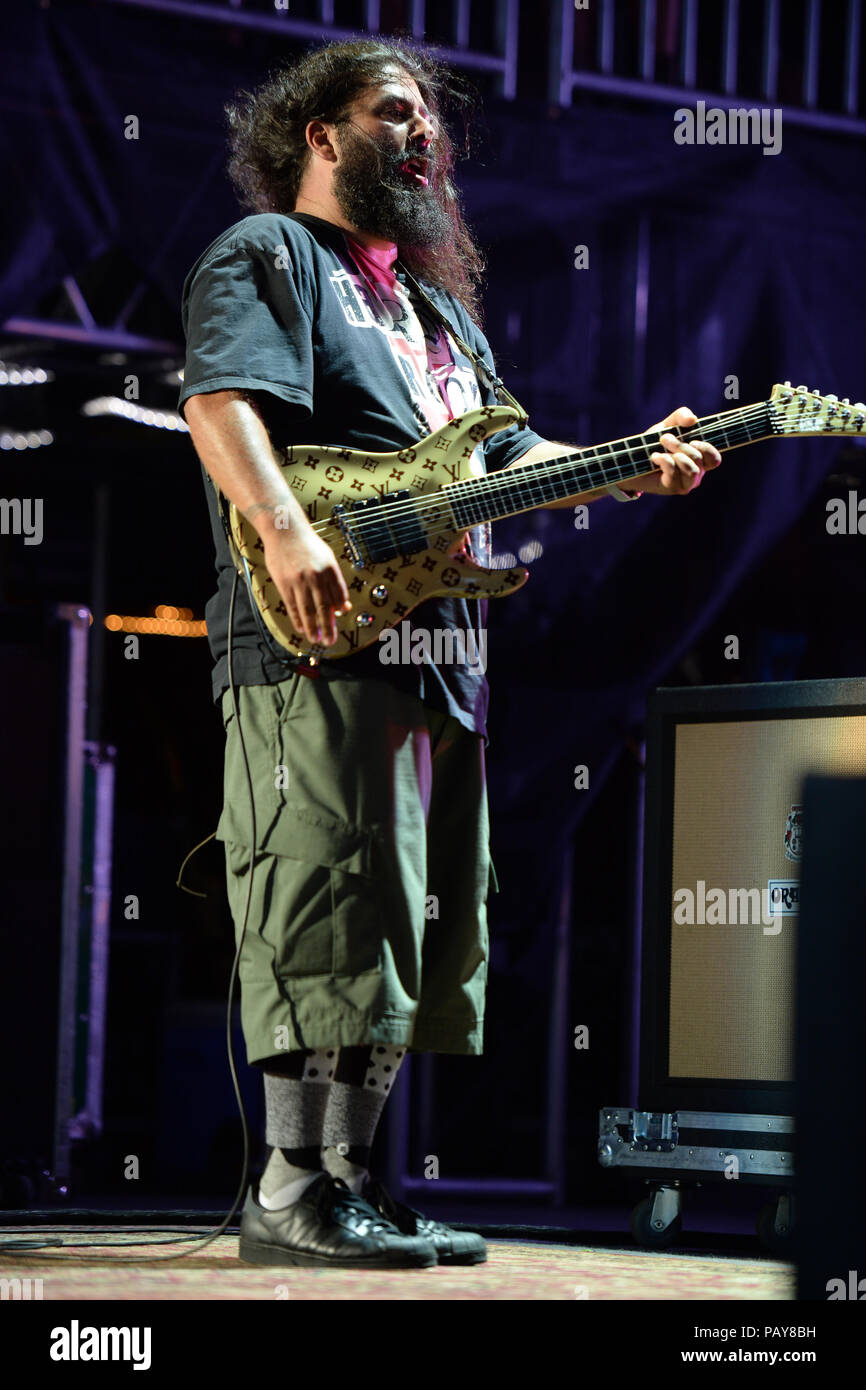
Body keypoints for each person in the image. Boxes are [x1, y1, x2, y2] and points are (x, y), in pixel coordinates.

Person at [178, 37, 721, 1271]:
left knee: (402, 929)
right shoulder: (270, 257)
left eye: (428, 121)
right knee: (320, 901)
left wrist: (631, 460)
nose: (422, 138)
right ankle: (287, 1186)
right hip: (312, 646)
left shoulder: (428, 310)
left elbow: (504, 460)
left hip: (440, 657)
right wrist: (282, 530)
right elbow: (218, 403)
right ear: (319, 135)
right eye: (392, 115)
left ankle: (356, 1180)